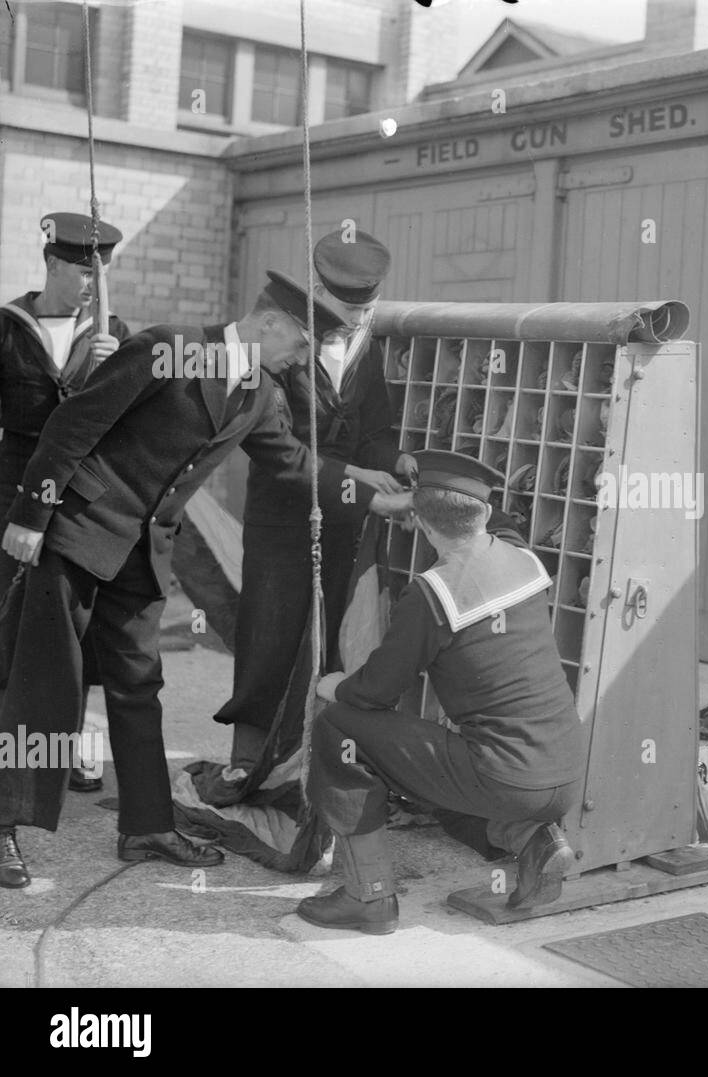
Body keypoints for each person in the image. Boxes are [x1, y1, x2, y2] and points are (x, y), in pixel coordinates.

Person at [0, 272, 411, 889]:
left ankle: (147, 826)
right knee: (47, 685)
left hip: (141, 554)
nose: (301, 362)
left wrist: (363, 489)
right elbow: (74, 425)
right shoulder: (169, 347)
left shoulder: (257, 391)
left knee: (140, 686)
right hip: (80, 532)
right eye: (300, 347)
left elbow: (292, 459)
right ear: (271, 323)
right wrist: (31, 514)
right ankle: (4, 822)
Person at [298, 451, 585, 934]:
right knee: (444, 786)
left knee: (338, 728)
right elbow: (499, 521)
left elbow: (373, 693)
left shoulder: (433, 594)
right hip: (565, 771)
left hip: (505, 777)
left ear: (423, 526)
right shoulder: (522, 556)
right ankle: (536, 839)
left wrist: (333, 685)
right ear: (487, 514)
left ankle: (367, 898)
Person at [215, 229, 405, 773]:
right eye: (346, 308)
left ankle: (310, 757)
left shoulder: (367, 347)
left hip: (346, 517)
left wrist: (396, 461)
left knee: (333, 638)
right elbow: (281, 450)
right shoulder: (284, 347)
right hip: (282, 515)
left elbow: (374, 429)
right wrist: (362, 483)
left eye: (365, 310)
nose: (356, 320)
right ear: (318, 293)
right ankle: (247, 758)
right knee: (269, 634)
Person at [0, 213, 130, 794]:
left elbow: (127, 428)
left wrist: (113, 371)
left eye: (101, 274)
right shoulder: (8, 327)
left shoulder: (113, 333)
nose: (92, 285)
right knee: (11, 627)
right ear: (52, 263)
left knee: (74, 630)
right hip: (12, 496)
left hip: (80, 503)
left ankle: (69, 741)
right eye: (83, 270)